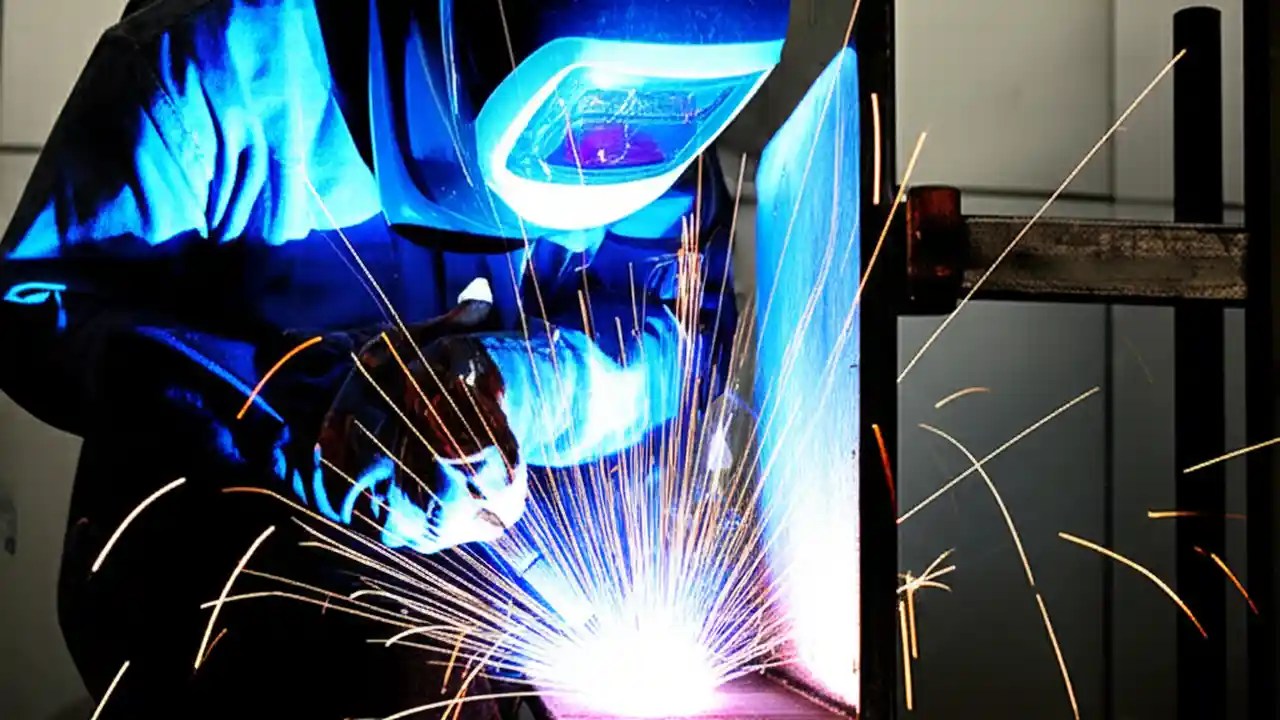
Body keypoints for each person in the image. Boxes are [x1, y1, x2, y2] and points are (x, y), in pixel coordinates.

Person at [0, 0, 790, 717]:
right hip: (219, 609)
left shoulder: (659, 82)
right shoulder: (215, 65)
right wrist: (305, 411)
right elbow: (34, 312)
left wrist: (525, 388)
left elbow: (681, 332)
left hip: (512, 622)